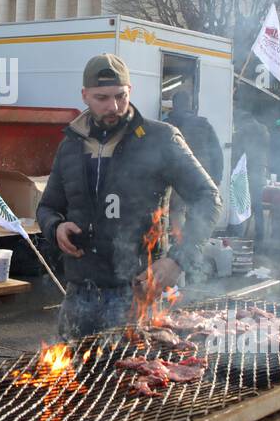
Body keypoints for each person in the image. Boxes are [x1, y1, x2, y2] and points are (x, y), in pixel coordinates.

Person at [37, 54, 222, 340]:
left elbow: (208, 197)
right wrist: (55, 227)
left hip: (136, 293)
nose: (113, 107)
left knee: (134, 379)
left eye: (120, 96)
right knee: (72, 379)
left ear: (130, 92)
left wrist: (178, 260)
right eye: (101, 98)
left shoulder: (160, 138)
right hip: (78, 294)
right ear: (84, 95)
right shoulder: (70, 145)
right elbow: (48, 207)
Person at [232, 109, 269, 242]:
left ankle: (239, 235)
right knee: (258, 206)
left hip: (246, 169)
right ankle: (260, 236)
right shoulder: (263, 129)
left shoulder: (242, 130)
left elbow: (236, 149)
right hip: (260, 170)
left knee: (241, 203)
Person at [167, 102, 224, 187]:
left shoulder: (167, 125)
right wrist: (217, 178)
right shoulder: (204, 124)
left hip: (176, 178)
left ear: (174, 106)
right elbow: (217, 154)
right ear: (189, 106)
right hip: (203, 175)